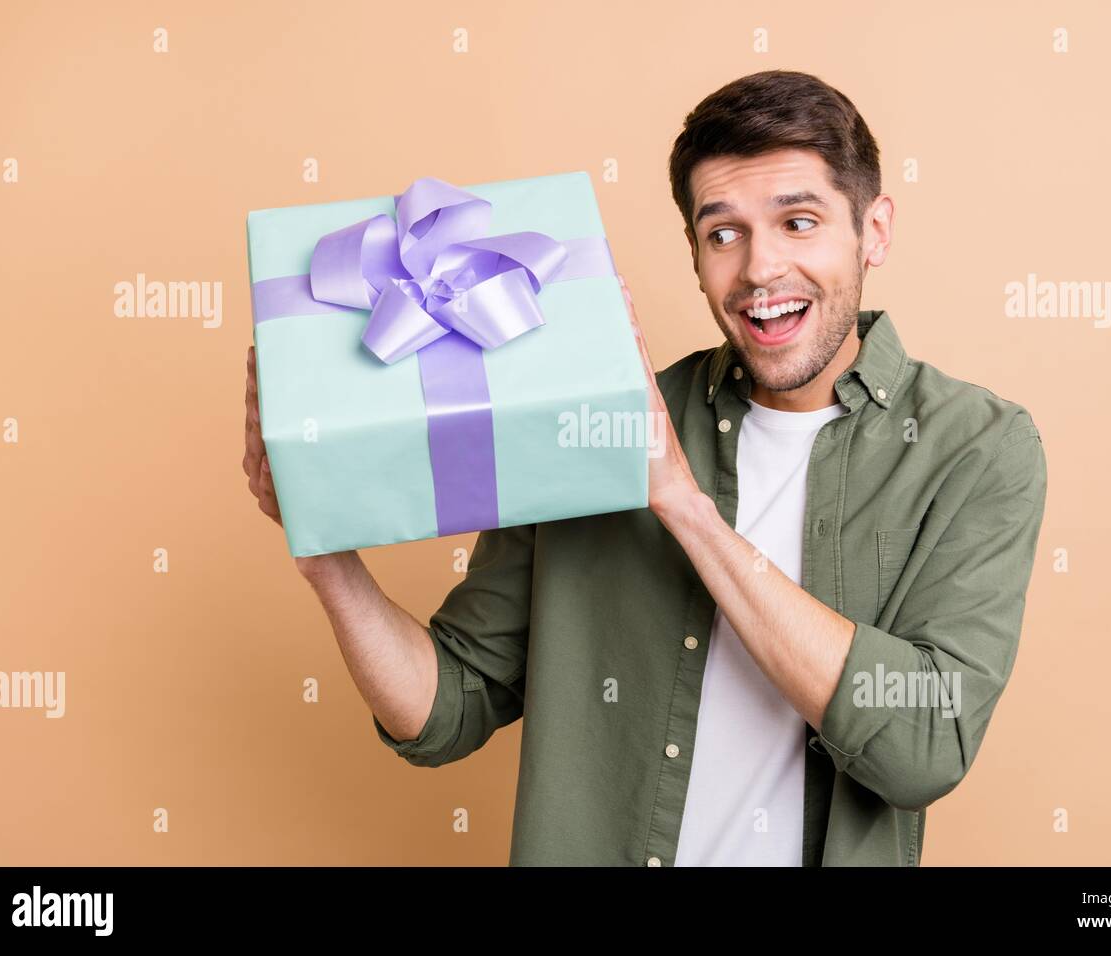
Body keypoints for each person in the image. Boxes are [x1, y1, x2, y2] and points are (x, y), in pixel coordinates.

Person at [242, 69, 1048, 866]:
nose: (761, 269)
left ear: (874, 230)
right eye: (723, 233)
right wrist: (326, 552)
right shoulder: (584, 421)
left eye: (798, 223)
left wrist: (681, 502)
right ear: (695, 254)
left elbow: (924, 746)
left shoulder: (977, 450)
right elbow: (447, 708)